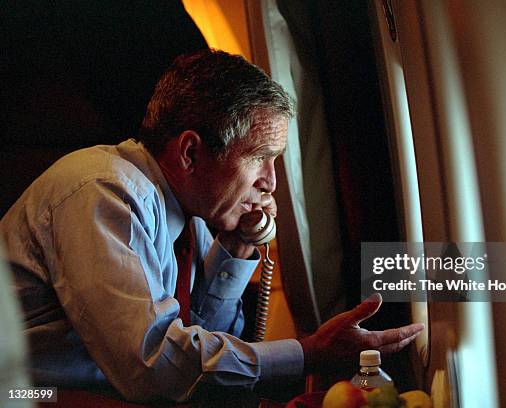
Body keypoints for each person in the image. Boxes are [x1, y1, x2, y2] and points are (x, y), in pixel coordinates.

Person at [0, 49, 424, 403]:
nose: (270, 182)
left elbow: (204, 345)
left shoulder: (193, 213)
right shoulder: (103, 191)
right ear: (190, 153)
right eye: (260, 156)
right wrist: (308, 353)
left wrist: (237, 248)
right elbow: (154, 367)